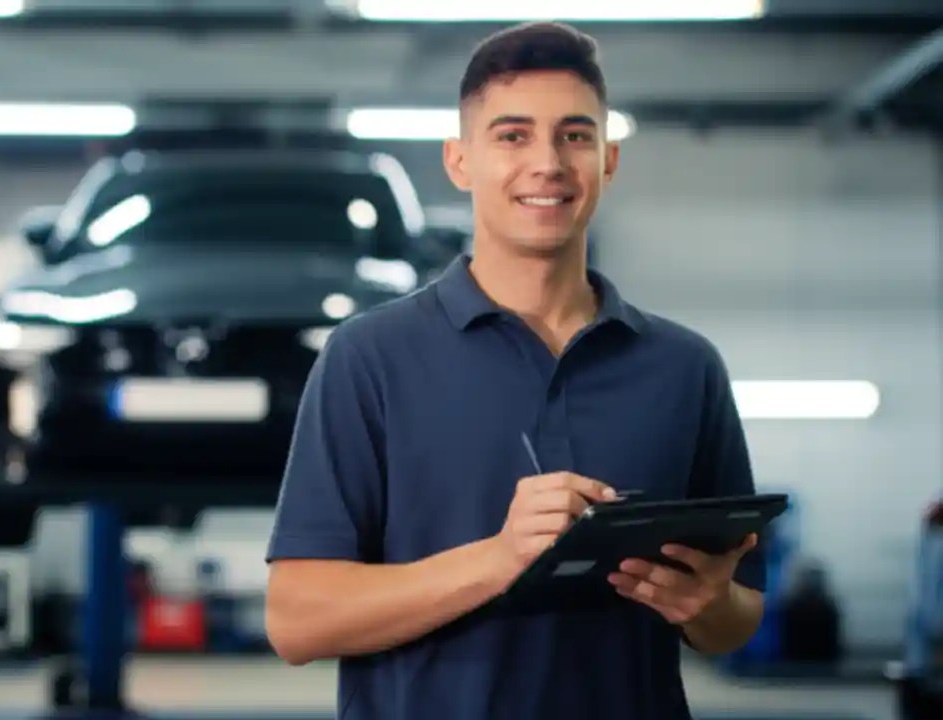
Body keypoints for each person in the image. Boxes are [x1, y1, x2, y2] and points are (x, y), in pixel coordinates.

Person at [264, 21, 765, 720]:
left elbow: (737, 614)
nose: (549, 163)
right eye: (512, 135)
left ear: (608, 160)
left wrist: (710, 605)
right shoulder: (368, 358)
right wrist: (499, 560)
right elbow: (296, 622)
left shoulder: (685, 367)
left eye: (575, 135)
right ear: (459, 161)